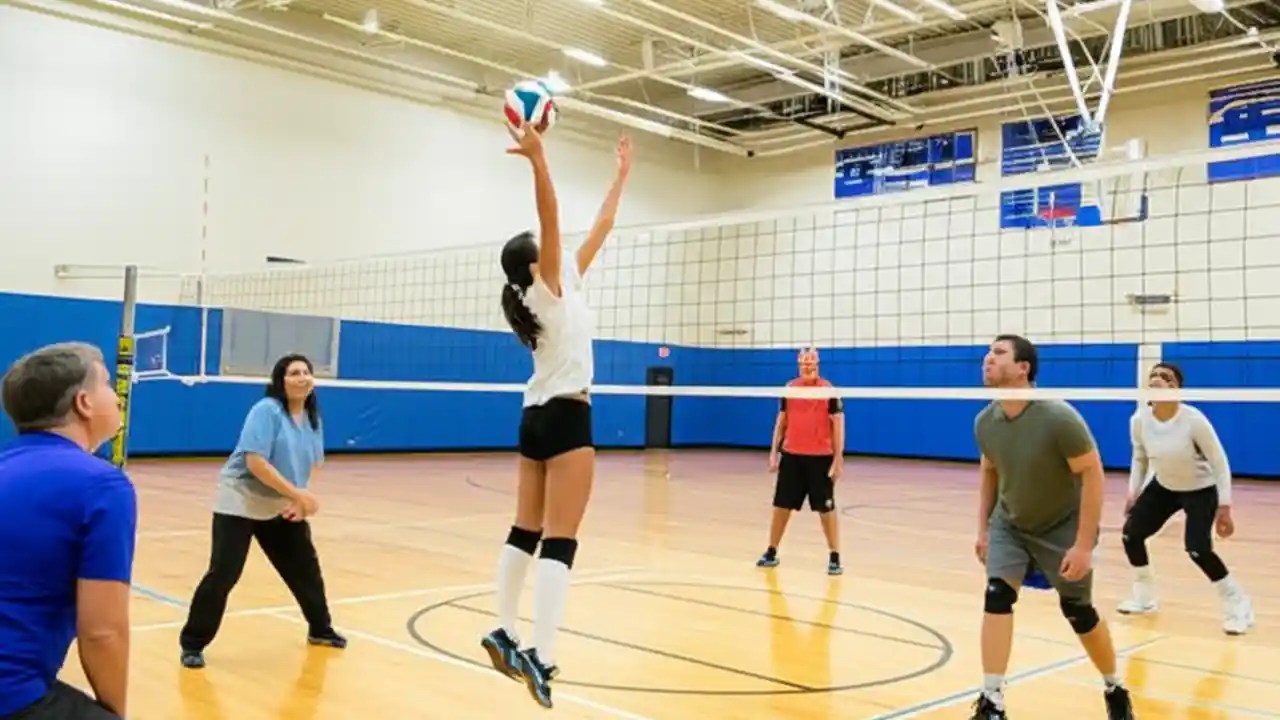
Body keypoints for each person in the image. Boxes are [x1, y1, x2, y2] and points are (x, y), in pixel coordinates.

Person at [479, 123, 632, 710]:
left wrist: (620, 178)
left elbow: (601, 227)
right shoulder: (547, 286)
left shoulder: (557, 289)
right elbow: (553, 214)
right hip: (568, 419)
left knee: (526, 529)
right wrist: (539, 161)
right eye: (545, 246)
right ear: (534, 263)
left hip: (533, 418)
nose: (557, 247)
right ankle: (540, 655)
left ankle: (504, 629)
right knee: (561, 542)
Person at [971, 334, 1134, 720]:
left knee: (1078, 610)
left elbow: (1093, 474)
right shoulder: (985, 421)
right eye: (988, 352)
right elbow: (989, 472)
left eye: (998, 353)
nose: (987, 359)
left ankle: (1114, 686)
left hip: (1063, 526)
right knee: (997, 595)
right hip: (1010, 522)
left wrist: (1083, 545)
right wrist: (982, 530)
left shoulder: (1058, 416)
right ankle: (992, 700)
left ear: (1023, 368)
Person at [178, 353, 346, 669]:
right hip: (241, 499)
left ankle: (320, 629)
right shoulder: (266, 411)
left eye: (306, 372)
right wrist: (297, 494)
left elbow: (313, 463)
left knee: (305, 569)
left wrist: (299, 499)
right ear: (280, 381)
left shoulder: (312, 418)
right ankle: (192, 643)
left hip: (280, 501)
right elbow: (256, 463)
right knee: (224, 574)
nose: (302, 377)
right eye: (294, 373)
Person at [0, 342, 135, 719]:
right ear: (84, 403)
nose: (118, 395)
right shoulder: (102, 485)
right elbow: (102, 632)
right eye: (107, 383)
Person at [1118, 361, 1254, 634]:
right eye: (1153, 375)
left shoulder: (1193, 420)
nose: (1157, 378)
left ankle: (1237, 603)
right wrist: (1133, 492)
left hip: (1200, 490)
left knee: (1198, 549)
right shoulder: (1139, 420)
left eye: (1165, 377)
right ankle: (1144, 597)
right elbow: (1140, 457)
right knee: (1131, 535)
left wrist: (1224, 506)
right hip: (1164, 487)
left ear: (1177, 388)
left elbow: (1219, 462)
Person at [756, 346, 845, 575]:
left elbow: (838, 425)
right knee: (781, 506)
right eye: (804, 361)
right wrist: (773, 452)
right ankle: (771, 551)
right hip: (792, 457)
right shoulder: (790, 388)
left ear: (818, 363)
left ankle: (834, 556)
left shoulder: (829, 390)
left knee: (826, 510)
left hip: (821, 459)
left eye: (812, 361)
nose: (808, 365)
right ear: (799, 364)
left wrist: (838, 459)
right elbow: (782, 420)